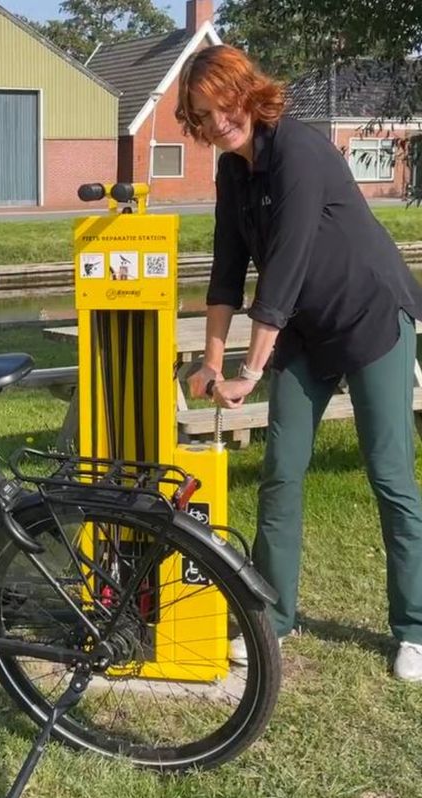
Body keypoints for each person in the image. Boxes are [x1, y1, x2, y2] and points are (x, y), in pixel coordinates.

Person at [175, 44, 422, 681]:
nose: (215, 122)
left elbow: (281, 270)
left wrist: (248, 372)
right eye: (201, 115)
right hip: (305, 334)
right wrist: (207, 363)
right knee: (281, 471)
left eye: (220, 105)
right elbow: (228, 270)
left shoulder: (301, 151)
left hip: (371, 318)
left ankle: (414, 629)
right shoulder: (234, 171)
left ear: (244, 94)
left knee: (390, 475)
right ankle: (274, 619)